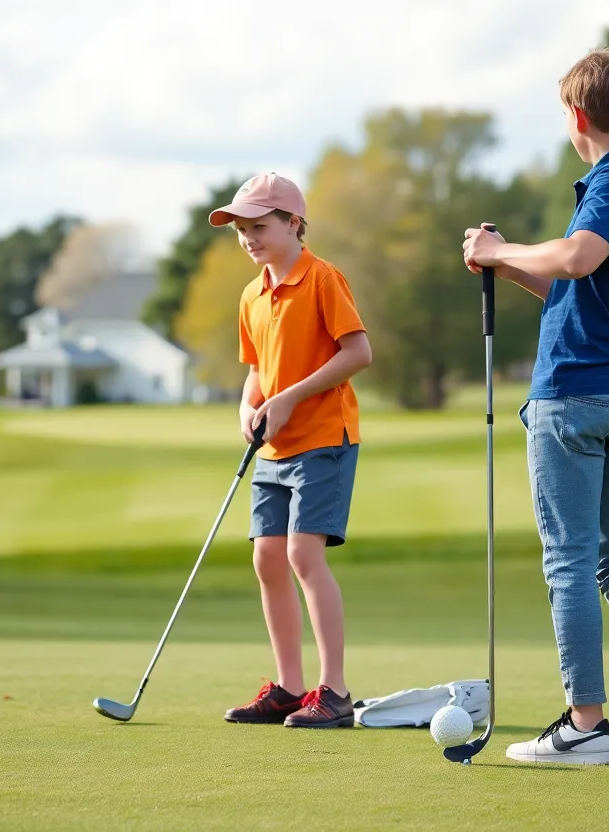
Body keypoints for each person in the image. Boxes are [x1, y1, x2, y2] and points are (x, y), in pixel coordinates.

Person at [462, 48, 609, 764]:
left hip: (576, 397)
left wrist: (500, 252)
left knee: (569, 559)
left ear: (577, 116)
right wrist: (511, 266)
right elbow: (579, 288)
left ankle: (585, 724)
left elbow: (576, 259)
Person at [209, 172, 373, 728]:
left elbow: (358, 353)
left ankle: (335, 692)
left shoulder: (323, 279)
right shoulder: (252, 294)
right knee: (267, 559)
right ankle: (288, 686)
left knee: (304, 555)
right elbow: (257, 371)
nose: (249, 238)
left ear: (293, 223)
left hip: (325, 437)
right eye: (241, 229)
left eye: (259, 226)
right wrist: (247, 411)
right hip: (275, 450)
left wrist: (289, 398)